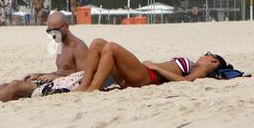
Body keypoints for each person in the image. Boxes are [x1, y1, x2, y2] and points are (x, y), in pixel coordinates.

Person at [0, 11, 108, 112]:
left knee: (14, 87)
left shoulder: (79, 47)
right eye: (49, 31)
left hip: (61, 87)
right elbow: (63, 70)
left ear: (67, 26)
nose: (52, 34)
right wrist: (40, 74)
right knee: (7, 85)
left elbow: (82, 77)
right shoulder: (60, 43)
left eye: (55, 30)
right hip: (55, 81)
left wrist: (52, 78)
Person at [78, 42, 229, 92]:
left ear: (214, 62)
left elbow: (186, 82)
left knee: (110, 47)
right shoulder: (195, 65)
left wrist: (157, 68)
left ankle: (91, 89)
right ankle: (84, 86)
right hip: (143, 73)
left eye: (208, 54)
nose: (204, 55)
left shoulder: (201, 70)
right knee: (98, 43)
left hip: (146, 76)